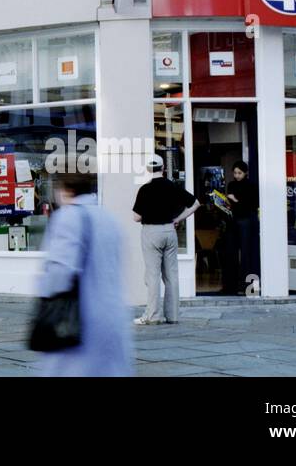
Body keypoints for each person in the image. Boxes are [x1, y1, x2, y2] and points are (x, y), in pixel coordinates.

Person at [37, 167, 132, 376]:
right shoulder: (109, 219)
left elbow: (59, 273)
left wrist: (43, 289)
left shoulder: (68, 217)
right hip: (113, 318)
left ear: (65, 189)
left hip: (81, 322)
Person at [132, 155, 200, 325]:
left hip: (151, 233)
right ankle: (173, 315)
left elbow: (136, 217)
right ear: (163, 168)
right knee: (171, 275)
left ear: (148, 169)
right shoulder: (172, 186)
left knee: (153, 275)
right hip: (169, 231)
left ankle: (153, 316)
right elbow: (196, 203)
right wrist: (178, 219)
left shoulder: (144, 190)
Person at [222, 160, 260, 295]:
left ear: (246, 173)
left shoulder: (251, 186)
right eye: (235, 173)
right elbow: (232, 204)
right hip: (235, 220)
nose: (237, 175)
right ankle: (232, 286)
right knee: (231, 252)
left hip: (247, 221)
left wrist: (236, 200)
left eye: (240, 173)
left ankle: (250, 287)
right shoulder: (232, 185)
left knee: (247, 253)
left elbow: (252, 205)